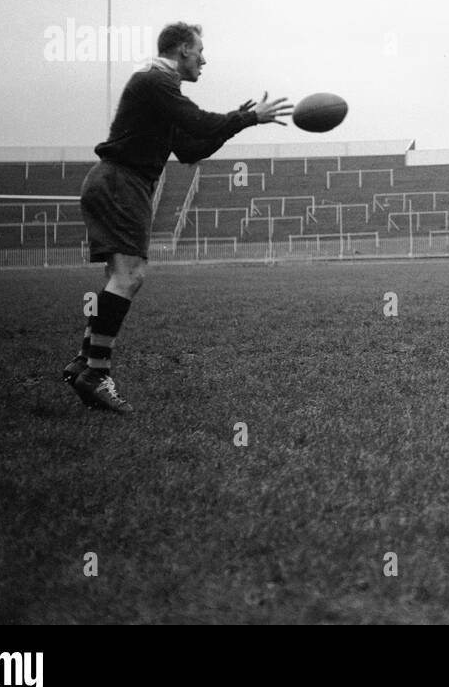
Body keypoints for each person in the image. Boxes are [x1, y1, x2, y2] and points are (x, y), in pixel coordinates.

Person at [62, 23, 292, 413]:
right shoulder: (155, 81)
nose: (204, 59)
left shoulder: (161, 92)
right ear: (183, 49)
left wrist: (239, 120)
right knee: (128, 277)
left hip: (119, 181)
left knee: (120, 279)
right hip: (121, 182)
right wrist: (248, 119)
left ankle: (85, 364)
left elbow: (190, 148)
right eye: (200, 50)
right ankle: (96, 373)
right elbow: (200, 122)